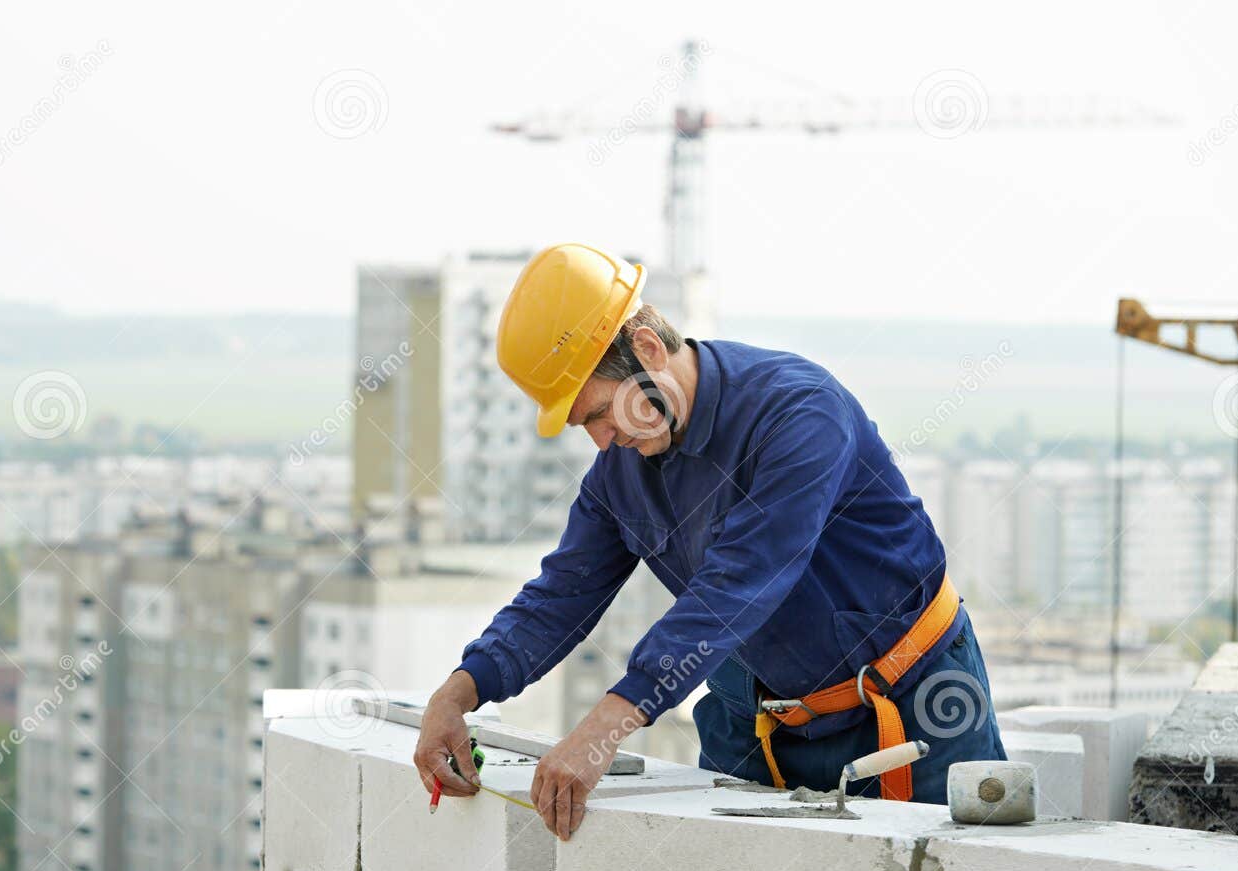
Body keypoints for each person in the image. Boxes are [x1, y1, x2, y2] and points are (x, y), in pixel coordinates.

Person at [413, 242, 1006, 840]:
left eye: (598, 412)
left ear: (646, 350)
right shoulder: (619, 476)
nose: (600, 440)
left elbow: (739, 584)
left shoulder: (800, 413)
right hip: (757, 718)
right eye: (584, 425)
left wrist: (602, 730)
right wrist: (456, 696)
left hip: (909, 702)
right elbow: (560, 596)